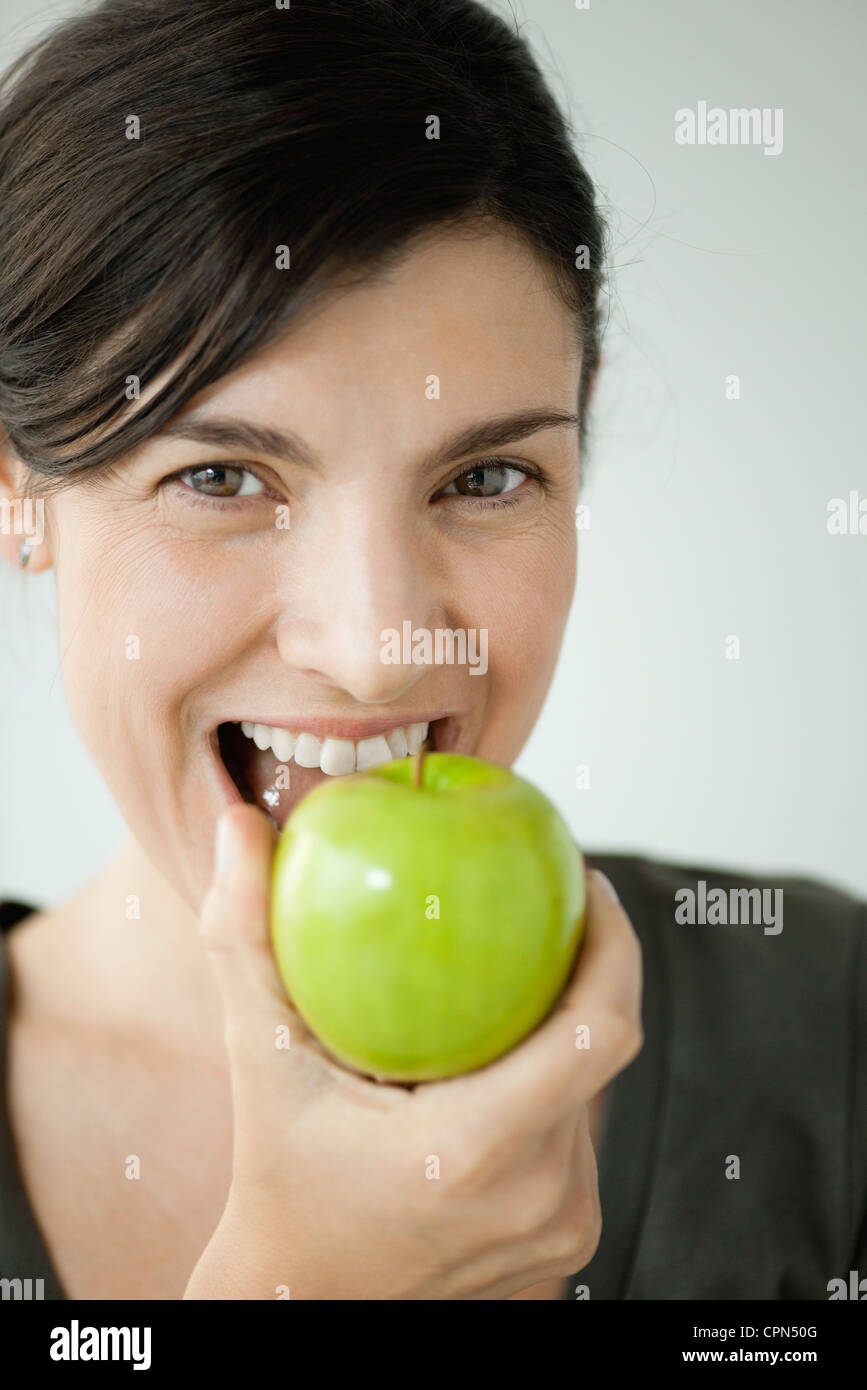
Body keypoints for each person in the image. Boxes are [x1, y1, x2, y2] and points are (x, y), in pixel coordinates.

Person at [0, 0, 863, 1302]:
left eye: (489, 474)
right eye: (225, 475)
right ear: (20, 492)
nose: (370, 652)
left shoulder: (829, 1031)